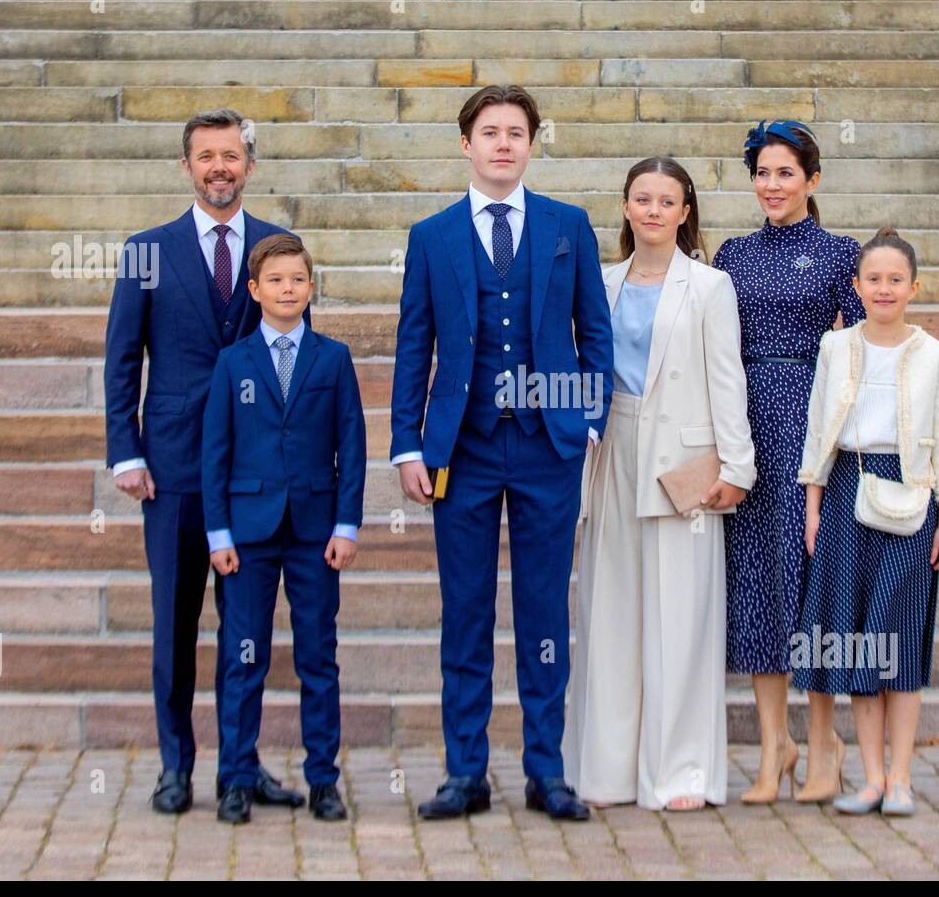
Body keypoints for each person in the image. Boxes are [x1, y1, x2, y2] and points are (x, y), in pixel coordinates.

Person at [713, 118, 939, 804]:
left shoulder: (837, 255)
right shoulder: (731, 254)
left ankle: (825, 742)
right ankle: (774, 746)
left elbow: (873, 347)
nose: (772, 184)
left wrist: (935, 417)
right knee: (760, 583)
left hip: (819, 425)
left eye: (785, 173)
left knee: (816, 588)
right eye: (762, 172)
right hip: (747, 421)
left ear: (812, 179)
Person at [390, 85, 613, 822]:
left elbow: (596, 333)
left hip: (549, 447)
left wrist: (587, 416)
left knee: (545, 611)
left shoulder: (566, 225)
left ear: (531, 143)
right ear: (467, 144)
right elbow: (412, 345)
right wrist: (405, 443)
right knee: (467, 610)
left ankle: (547, 772)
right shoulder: (432, 236)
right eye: (490, 132)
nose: (504, 144)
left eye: (517, 132)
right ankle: (466, 772)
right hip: (466, 448)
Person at [104, 108, 307, 814]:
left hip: (256, 474)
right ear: (187, 167)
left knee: (247, 631)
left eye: (231, 154)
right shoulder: (145, 250)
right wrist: (123, 450)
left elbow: (301, 358)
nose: (219, 166)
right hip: (175, 469)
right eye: (205, 156)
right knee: (175, 625)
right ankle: (174, 766)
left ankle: (240, 768)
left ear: (249, 165)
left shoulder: (282, 248)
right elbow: (122, 357)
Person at [563, 157, 755, 811]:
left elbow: (727, 378)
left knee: (681, 617)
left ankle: (681, 772)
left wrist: (738, 465)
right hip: (613, 447)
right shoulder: (602, 281)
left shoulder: (710, 286)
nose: (652, 209)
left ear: (684, 210)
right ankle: (608, 770)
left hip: (684, 460)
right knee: (611, 610)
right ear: (624, 206)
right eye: (641, 198)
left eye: (665, 200)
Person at [794, 227, 939, 817]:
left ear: (913, 287)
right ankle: (868, 778)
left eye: (895, 280)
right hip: (846, 492)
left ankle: (902, 778)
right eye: (873, 279)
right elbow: (819, 428)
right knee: (860, 641)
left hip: (911, 499)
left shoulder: (935, 354)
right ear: (857, 286)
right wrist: (813, 509)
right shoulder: (835, 347)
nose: (883, 289)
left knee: (900, 634)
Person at [202, 234, 366, 824]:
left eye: (298, 279)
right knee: (244, 658)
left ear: (311, 287)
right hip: (247, 534)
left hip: (315, 533)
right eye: (275, 281)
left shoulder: (333, 358)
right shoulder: (233, 363)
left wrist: (346, 525)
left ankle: (323, 778)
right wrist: (217, 534)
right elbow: (214, 453)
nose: (287, 289)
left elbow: (352, 444)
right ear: (255, 290)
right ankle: (235, 778)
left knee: (318, 657)